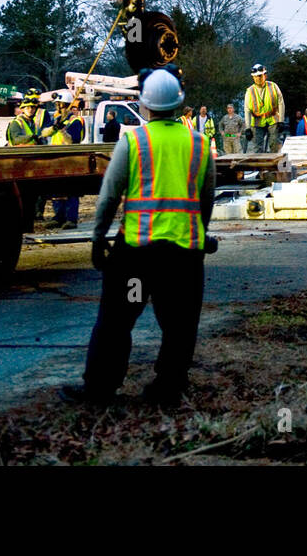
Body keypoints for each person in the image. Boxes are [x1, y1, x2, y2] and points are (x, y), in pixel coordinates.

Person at [76, 66, 217, 406]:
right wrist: (200, 233)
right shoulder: (199, 144)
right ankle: (169, 387)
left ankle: (100, 388)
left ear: (144, 105)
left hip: (137, 253)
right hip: (183, 255)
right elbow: (206, 198)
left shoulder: (133, 141)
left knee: (115, 321)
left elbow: (110, 195)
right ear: (179, 105)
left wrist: (98, 237)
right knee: (180, 325)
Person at [50, 90, 85, 229]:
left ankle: (71, 219)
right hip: (57, 159)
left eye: (59, 105)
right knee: (57, 191)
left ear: (66, 105)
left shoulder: (75, 121)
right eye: (57, 105)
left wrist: (62, 131)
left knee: (71, 190)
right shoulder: (58, 120)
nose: (58, 108)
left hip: (70, 160)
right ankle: (58, 217)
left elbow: (72, 141)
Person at [244, 63, 285, 153]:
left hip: (273, 120)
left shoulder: (273, 86)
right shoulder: (249, 91)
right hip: (257, 122)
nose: (258, 78)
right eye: (255, 76)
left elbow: (281, 103)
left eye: (260, 76)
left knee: (274, 144)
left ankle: (275, 165)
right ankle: (258, 166)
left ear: (265, 75)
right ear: (253, 77)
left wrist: (281, 120)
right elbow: (247, 110)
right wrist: (247, 128)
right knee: (257, 147)